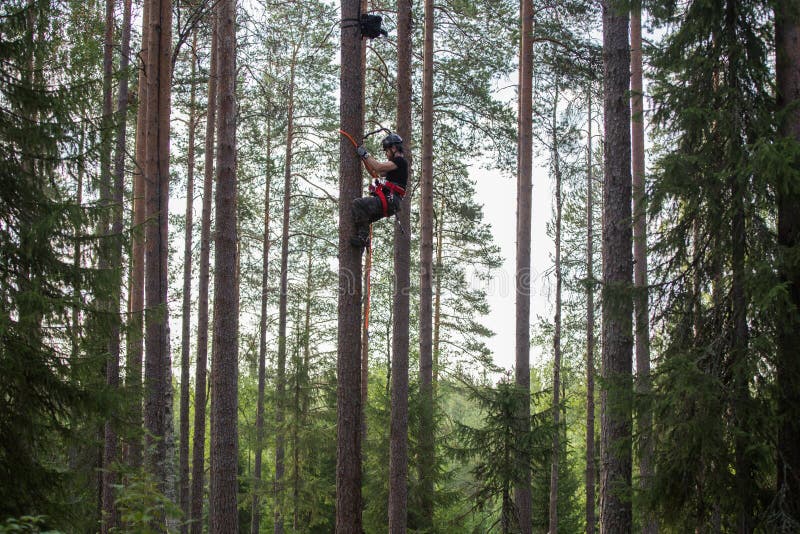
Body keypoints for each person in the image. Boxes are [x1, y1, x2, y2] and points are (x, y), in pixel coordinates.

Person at [350, 133, 408, 250]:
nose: (386, 154)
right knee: (364, 218)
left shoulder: (400, 161)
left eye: (386, 151)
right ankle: (362, 241)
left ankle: (363, 238)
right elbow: (375, 172)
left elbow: (378, 167)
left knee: (358, 204)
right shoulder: (394, 166)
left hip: (390, 200)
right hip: (391, 202)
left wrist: (365, 154)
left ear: (393, 148)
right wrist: (363, 159)